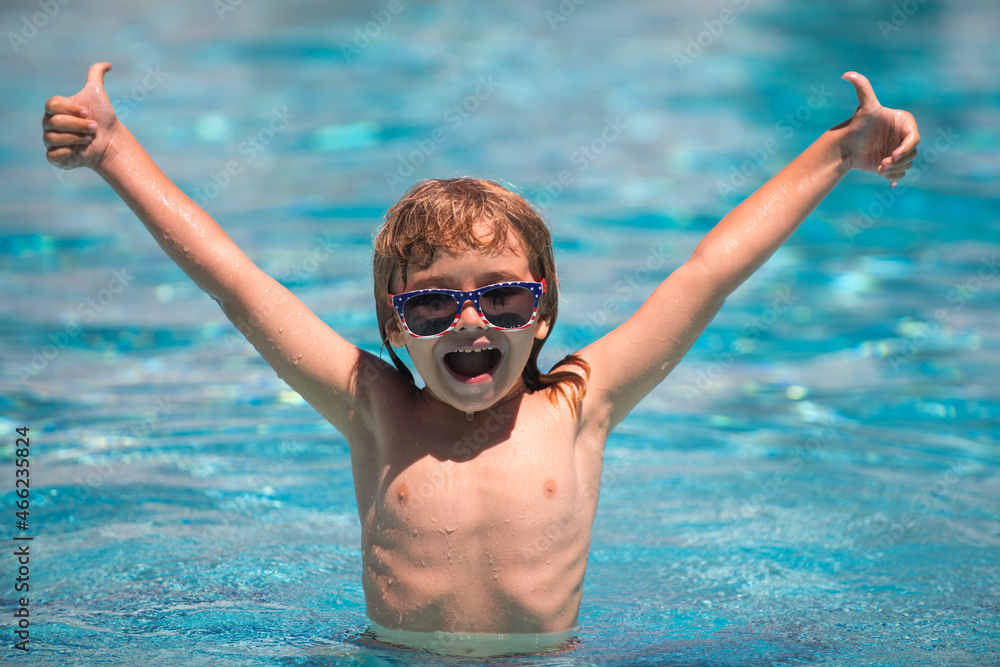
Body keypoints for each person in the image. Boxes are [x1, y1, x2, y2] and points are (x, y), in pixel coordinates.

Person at [42, 62, 919, 654]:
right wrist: (116, 152)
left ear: (542, 312)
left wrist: (838, 150)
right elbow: (237, 284)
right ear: (397, 325)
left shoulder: (579, 405)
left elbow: (710, 271)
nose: (472, 322)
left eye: (502, 297)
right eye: (433, 302)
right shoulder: (373, 409)